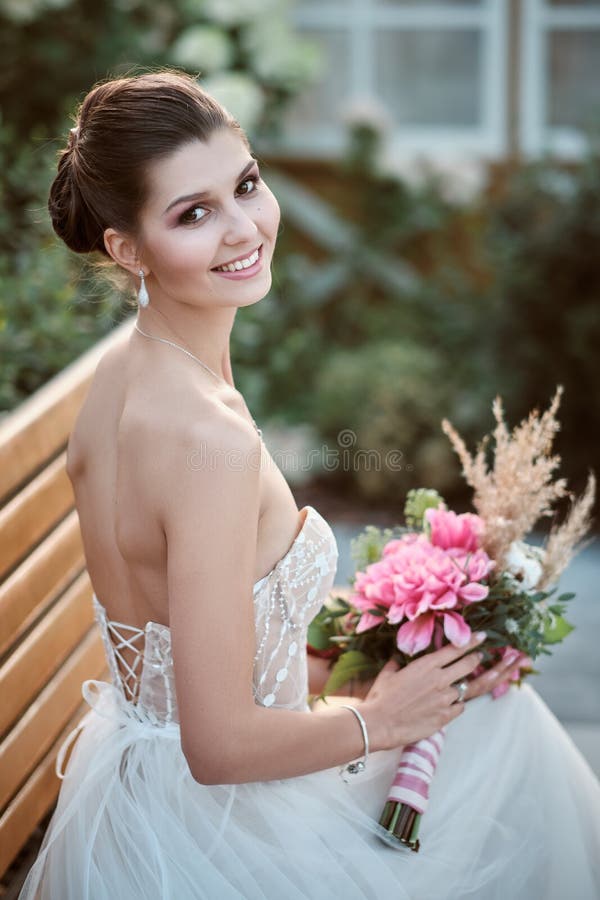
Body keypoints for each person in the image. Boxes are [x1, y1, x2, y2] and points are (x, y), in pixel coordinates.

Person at [19, 70, 600, 900]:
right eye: (193, 214)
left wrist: (358, 642)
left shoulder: (126, 374)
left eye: (246, 185)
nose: (243, 228)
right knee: (505, 728)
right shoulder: (205, 438)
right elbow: (217, 747)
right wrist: (383, 718)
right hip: (219, 830)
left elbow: (188, 625)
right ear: (127, 247)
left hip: (142, 788)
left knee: (477, 695)